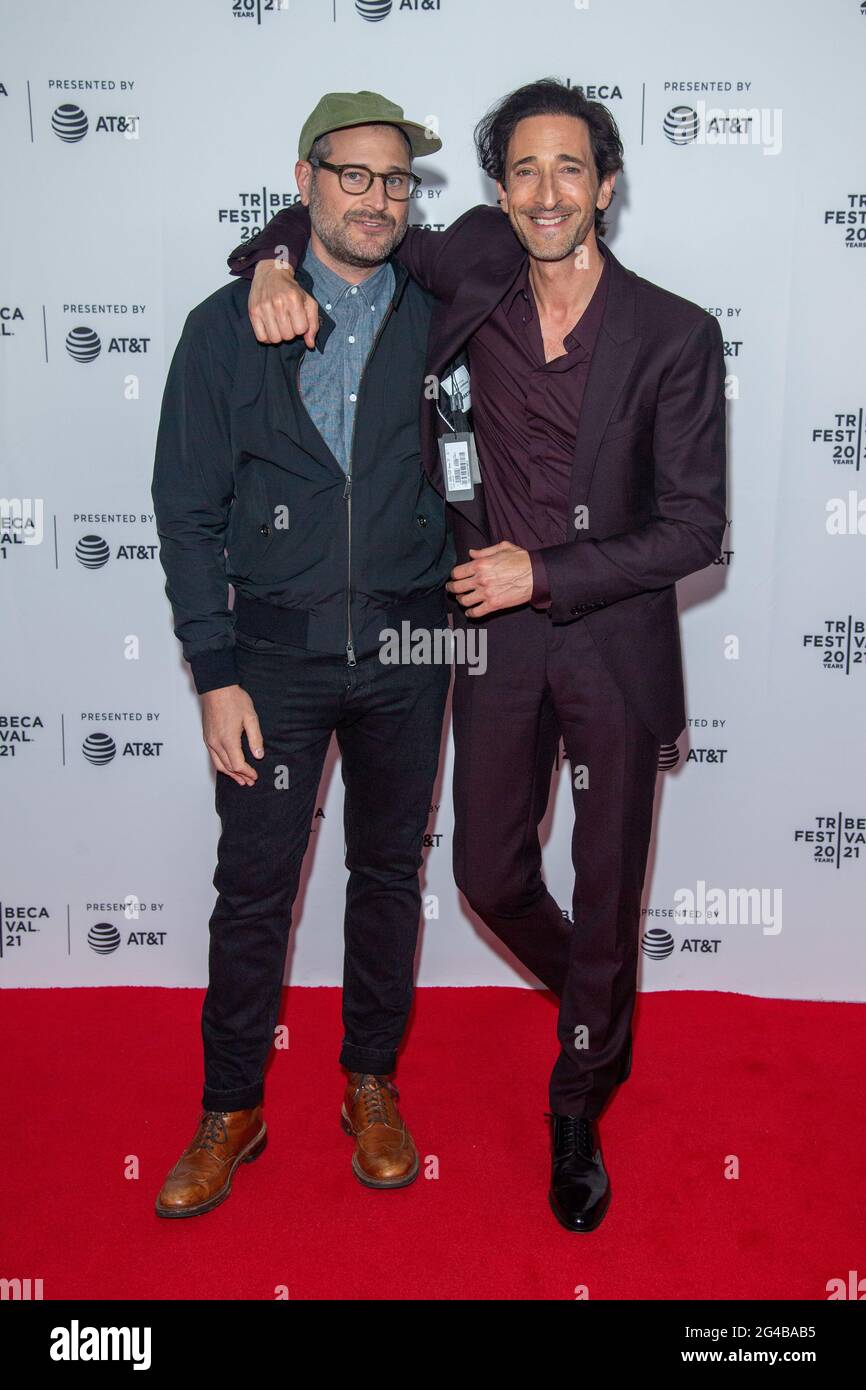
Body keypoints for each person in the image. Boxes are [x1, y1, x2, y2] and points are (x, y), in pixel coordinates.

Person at [225, 78, 728, 1232]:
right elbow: (341, 216)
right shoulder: (473, 266)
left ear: (605, 185)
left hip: (610, 650)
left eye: (570, 170)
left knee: (604, 888)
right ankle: (596, 1000)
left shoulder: (674, 333)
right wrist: (267, 259)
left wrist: (539, 572)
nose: (546, 193)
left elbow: (694, 528)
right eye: (522, 172)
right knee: (486, 873)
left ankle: (574, 1100)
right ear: (497, 192)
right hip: (493, 651)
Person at [150, 91, 454, 1217]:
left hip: (412, 644)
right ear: (305, 178)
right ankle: (231, 1104)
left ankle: (367, 1082)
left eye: (395, 181)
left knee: (387, 875)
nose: (377, 199)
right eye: (354, 176)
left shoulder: (443, 304)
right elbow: (184, 510)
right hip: (270, 658)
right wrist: (211, 667)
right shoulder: (223, 327)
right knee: (254, 887)